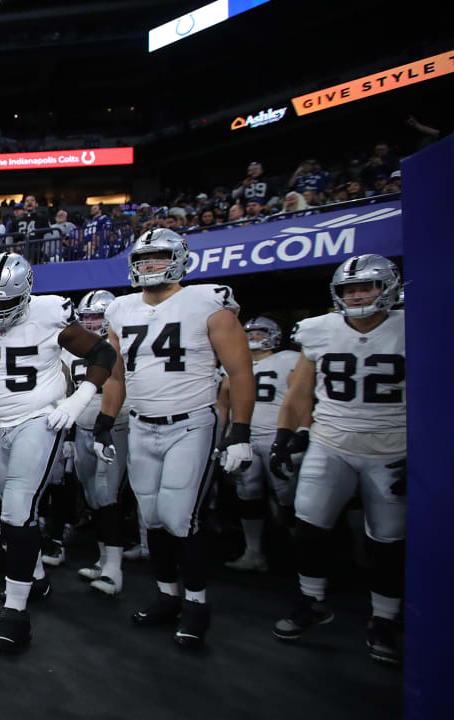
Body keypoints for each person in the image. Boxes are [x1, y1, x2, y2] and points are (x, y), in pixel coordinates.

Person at [0, 252, 117, 653]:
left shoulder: (51, 312)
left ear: (26, 294)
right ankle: (34, 577)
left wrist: (78, 401)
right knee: (13, 505)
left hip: (40, 416)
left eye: (7, 302)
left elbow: (103, 354)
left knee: (16, 509)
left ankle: (14, 613)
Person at [97, 228, 255, 650]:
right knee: (153, 519)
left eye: (159, 257)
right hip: (142, 424)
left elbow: (240, 372)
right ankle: (168, 595)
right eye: (143, 259)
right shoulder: (120, 308)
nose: (150, 266)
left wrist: (240, 431)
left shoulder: (208, 302)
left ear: (180, 258)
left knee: (179, 517)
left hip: (191, 423)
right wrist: (104, 420)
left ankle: (197, 604)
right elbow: (116, 375)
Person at [269, 254, 405, 665]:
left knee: (387, 540)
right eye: (350, 289)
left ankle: (384, 618)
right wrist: (283, 437)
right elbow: (299, 391)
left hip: (394, 448)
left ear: (389, 289)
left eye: (367, 287)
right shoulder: (320, 330)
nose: (359, 295)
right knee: (308, 524)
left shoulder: (414, 325)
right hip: (330, 441)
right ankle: (311, 599)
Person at [216, 317, 300, 572]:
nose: (253, 338)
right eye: (249, 334)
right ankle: (253, 552)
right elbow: (223, 404)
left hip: (278, 436)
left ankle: (303, 554)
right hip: (243, 437)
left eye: (259, 333)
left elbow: (301, 398)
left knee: (289, 497)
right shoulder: (232, 363)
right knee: (247, 493)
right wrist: (221, 437)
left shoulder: (289, 359)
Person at [64, 290, 131, 595]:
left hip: (113, 426)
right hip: (82, 428)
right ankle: (104, 559)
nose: (90, 323)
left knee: (106, 494)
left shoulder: (122, 345)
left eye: (97, 317)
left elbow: (121, 385)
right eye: (86, 317)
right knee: (91, 494)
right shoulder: (71, 349)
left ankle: (115, 570)